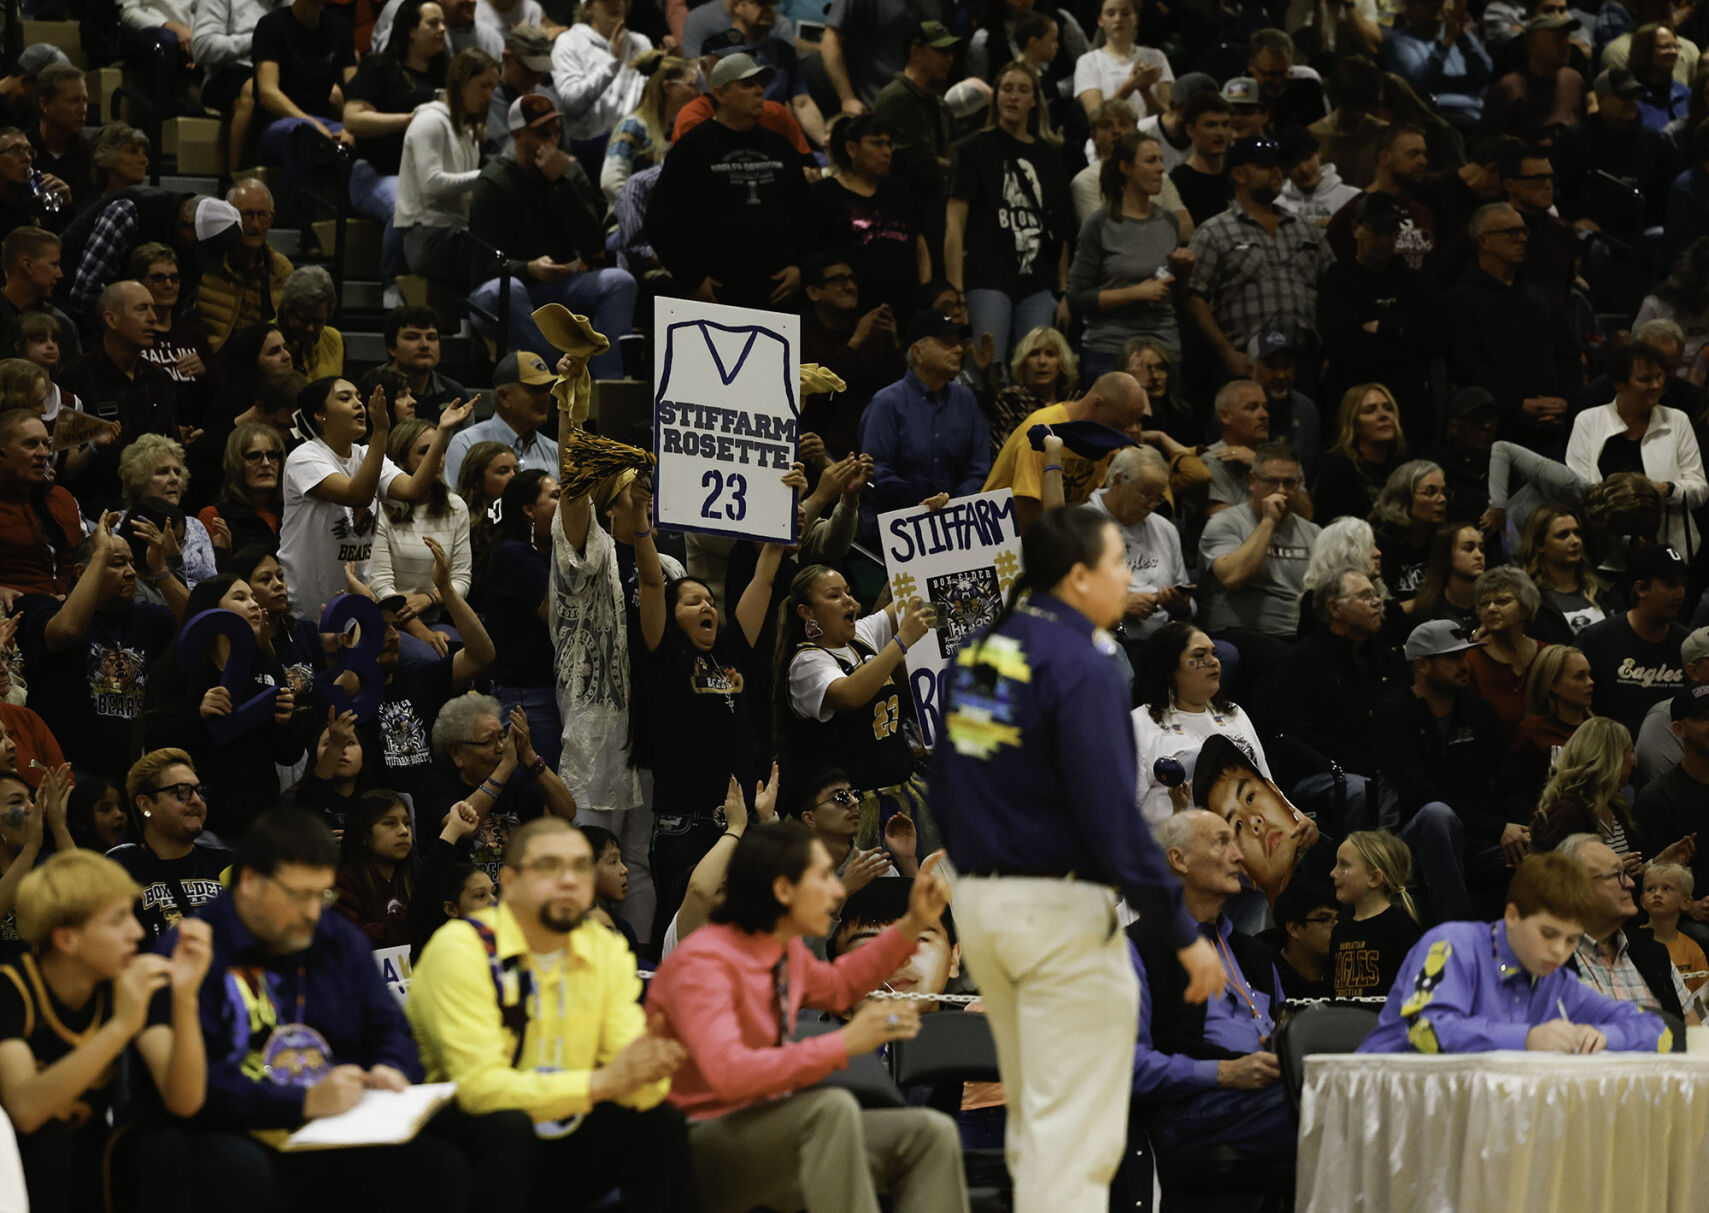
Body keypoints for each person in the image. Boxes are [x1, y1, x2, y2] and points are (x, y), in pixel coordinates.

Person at [933, 505, 1223, 1213]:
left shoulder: (982, 651)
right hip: (1057, 909)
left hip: (985, 911)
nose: (1128, 578)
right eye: (1117, 564)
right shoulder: (1080, 657)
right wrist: (1183, 937)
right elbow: (1108, 816)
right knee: (1075, 1135)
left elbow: (947, 785)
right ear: (1076, 576)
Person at [174, 807, 530, 1213]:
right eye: (298, 895)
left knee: (490, 1133)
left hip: (348, 1116)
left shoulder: (335, 936)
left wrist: (391, 1068)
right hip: (252, 1127)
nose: (313, 912)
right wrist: (302, 1103)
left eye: (322, 894)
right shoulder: (195, 950)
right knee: (236, 1168)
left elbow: (392, 1028)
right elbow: (193, 1085)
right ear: (251, 882)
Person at [645, 819, 967, 1212]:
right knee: (829, 1110)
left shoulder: (784, 953)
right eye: (823, 879)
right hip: (693, 1145)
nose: (838, 890)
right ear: (783, 890)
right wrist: (842, 1043)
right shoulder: (704, 963)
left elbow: (841, 986)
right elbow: (730, 1074)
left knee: (928, 1133)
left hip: (767, 1130)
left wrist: (913, 923)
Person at [409, 816, 693, 1210]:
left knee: (660, 1121)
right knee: (509, 1127)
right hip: (476, 1137)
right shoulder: (460, 949)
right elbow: (480, 1091)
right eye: (548, 868)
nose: (568, 880)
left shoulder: (602, 947)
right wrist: (604, 1083)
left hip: (568, 1124)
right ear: (508, 883)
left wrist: (648, 1070)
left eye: (579, 867)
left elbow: (635, 1070)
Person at [0, 849, 211, 1213]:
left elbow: (185, 1101)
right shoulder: (11, 988)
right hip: (16, 1160)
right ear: (67, 939)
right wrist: (122, 1026)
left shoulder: (125, 980)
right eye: (118, 920)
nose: (138, 931)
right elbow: (25, 1110)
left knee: (164, 1143)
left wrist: (185, 998)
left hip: (95, 1154)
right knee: (50, 1143)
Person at [635, 468, 785, 933]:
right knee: (686, 942)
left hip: (739, 825)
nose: (706, 607)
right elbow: (653, 582)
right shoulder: (663, 656)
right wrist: (642, 514)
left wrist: (783, 515)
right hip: (685, 827)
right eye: (692, 602)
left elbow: (763, 578)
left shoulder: (732, 652)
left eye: (709, 602)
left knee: (740, 940)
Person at [1358, 852, 1671, 1053]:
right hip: (1383, 1109)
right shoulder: (1451, 945)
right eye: (1548, 933)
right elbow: (1426, 1031)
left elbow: (1660, 1034)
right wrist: (1527, 1039)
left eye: (1572, 940)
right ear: (1512, 916)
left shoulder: (1555, 979)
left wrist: (1603, 1037)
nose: (1559, 951)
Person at [1127, 808, 1293, 1164]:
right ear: (1179, 859)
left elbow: (1283, 1028)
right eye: (1222, 843)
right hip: (1184, 1109)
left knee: (1354, 1097)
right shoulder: (1135, 948)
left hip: (1265, 1094)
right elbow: (1128, 1066)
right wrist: (1224, 1073)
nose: (1239, 855)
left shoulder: (1258, 955)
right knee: (1322, 1107)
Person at [1371, 619, 1532, 924]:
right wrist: (1497, 829)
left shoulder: (1479, 711)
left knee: (1544, 854)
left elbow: (1507, 780)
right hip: (1412, 843)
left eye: (1464, 655)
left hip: (1478, 839)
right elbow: (1419, 796)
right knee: (1437, 815)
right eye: (1453, 657)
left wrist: (1518, 828)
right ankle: (1459, 936)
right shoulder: (1393, 716)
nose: (1464, 665)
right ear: (1423, 665)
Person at [466, 94, 636, 379]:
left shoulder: (568, 171)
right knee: (507, 290)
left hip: (557, 287)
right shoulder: (494, 182)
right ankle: (556, 382)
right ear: (518, 135)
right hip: (504, 290)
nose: (552, 142)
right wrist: (528, 269)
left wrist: (560, 184)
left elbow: (593, 244)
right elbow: (481, 267)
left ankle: (608, 387)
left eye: (557, 132)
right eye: (542, 134)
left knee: (620, 282)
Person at [278, 377, 470, 618]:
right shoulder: (304, 457)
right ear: (320, 414)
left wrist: (442, 431)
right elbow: (356, 495)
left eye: (359, 397)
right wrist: (380, 430)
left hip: (359, 604)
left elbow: (414, 489)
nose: (358, 404)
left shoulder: (366, 454)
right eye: (345, 398)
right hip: (307, 606)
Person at [772, 561, 932, 847]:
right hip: (850, 810)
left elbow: (913, 590)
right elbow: (850, 696)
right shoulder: (806, 662)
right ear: (806, 612)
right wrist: (901, 641)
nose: (848, 600)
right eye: (834, 595)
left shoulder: (861, 634)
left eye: (847, 592)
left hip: (901, 793)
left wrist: (932, 525)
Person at [645, 53, 812, 311]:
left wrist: (800, 266)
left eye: (761, 84)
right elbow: (661, 221)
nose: (760, 91)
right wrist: (692, 278)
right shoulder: (693, 147)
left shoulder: (779, 146)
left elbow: (805, 214)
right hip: (717, 293)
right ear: (720, 94)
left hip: (779, 292)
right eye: (748, 84)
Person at [18, 514, 178, 780]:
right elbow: (67, 631)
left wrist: (161, 568)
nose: (131, 572)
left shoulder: (145, 618)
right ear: (83, 572)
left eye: (131, 562)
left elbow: (198, 628)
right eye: (116, 563)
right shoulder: (39, 608)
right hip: (70, 772)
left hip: (133, 772)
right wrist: (101, 551)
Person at [139, 574, 303, 831]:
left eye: (253, 597)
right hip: (200, 823)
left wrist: (285, 724)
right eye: (240, 597)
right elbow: (154, 740)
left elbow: (288, 754)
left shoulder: (268, 666)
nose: (254, 605)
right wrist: (199, 716)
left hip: (260, 824)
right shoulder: (177, 669)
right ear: (210, 612)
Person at [945, 61, 1073, 368]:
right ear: (996, 97)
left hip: (1038, 282)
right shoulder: (972, 149)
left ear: (1034, 101)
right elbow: (954, 223)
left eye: (1023, 90)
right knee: (987, 369)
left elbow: (1059, 230)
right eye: (1007, 89)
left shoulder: (1050, 155)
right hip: (987, 278)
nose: (1013, 97)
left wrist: (1064, 291)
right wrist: (956, 291)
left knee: (1033, 372)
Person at [1186, 136, 1326, 381]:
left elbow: (1331, 288)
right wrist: (1226, 351)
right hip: (1245, 362)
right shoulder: (1214, 231)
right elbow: (1193, 298)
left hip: (1302, 361)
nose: (1276, 170)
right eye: (1264, 165)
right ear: (1239, 175)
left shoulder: (1305, 229)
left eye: (1277, 165)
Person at [1443, 203, 1582, 449]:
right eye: (1511, 232)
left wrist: (1565, 401)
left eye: (1523, 231)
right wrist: (1517, 405)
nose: (1522, 239)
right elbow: (1467, 366)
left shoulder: (1542, 300)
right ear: (1483, 240)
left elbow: (1569, 358)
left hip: (1553, 431)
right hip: (1496, 434)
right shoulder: (1460, 302)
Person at [341, 0, 448, 303]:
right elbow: (353, 118)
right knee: (407, 201)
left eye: (443, 24)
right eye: (433, 23)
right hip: (375, 172)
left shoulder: (446, 76)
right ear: (411, 30)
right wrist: (411, 120)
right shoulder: (380, 67)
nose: (442, 30)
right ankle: (389, 284)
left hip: (430, 175)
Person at [1566, 341, 1708, 561]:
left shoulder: (1677, 420)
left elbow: (1700, 489)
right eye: (1645, 379)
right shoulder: (1588, 421)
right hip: (1605, 553)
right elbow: (1578, 489)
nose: (1655, 385)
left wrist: (1667, 490)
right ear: (1619, 384)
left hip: (1668, 552)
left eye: (1659, 376)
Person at [1068, 131, 1190, 378]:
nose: (1160, 169)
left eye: (1160, 160)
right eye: (1151, 161)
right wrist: (1135, 293)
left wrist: (1183, 271)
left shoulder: (1168, 221)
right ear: (1126, 167)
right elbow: (1077, 298)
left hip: (1162, 346)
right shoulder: (1100, 223)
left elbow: (1174, 293)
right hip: (1111, 348)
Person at [857, 309, 990, 531]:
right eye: (947, 343)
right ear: (917, 352)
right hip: (896, 527)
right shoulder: (886, 403)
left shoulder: (965, 399)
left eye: (959, 342)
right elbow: (877, 472)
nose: (958, 349)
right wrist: (928, 502)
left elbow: (979, 467)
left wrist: (952, 506)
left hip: (959, 524)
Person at [57, 280, 181, 509]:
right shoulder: (75, 377)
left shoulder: (159, 379)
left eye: (153, 308)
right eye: (142, 309)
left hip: (154, 504)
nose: (154, 317)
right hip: (95, 506)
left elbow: (173, 448)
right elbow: (64, 467)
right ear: (111, 319)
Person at [1199, 441, 1322, 671]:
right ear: (1253, 481)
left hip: (1297, 635)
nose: (1282, 491)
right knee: (1290, 660)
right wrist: (1268, 522)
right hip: (1238, 632)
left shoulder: (1313, 533)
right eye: (1272, 482)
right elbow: (1233, 577)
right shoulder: (1226, 523)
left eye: (1290, 483)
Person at [1131, 622, 1270, 825]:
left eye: (1213, 653)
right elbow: (1124, 809)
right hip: (1173, 845)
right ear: (1171, 669)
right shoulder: (1139, 723)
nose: (1213, 662)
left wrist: (1295, 817)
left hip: (1245, 842)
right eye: (1199, 656)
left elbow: (1267, 784)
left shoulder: (1233, 714)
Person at [983, 369, 1149, 530]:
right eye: (1117, 426)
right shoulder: (1042, 430)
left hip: (1057, 531)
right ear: (1096, 405)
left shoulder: (1103, 441)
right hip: (998, 534)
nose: (1119, 437)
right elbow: (1025, 506)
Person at [395, 49, 500, 292]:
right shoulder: (430, 121)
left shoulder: (469, 132)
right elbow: (431, 185)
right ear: (462, 80)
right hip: (428, 237)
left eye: (493, 88)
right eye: (484, 86)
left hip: (455, 231)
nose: (489, 95)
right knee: (502, 260)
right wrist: (486, 176)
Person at [1560, 833, 1694, 1020]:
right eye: (1618, 875)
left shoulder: (1654, 954)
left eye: (1626, 874)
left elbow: (1692, 1029)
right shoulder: (1546, 964)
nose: (1631, 883)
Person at [250, 0, 357, 225]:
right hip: (279, 123)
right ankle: (300, 228)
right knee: (304, 132)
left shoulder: (341, 28)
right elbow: (268, 93)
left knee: (366, 134)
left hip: (325, 121)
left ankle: (351, 226)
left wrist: (353, 126)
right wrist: (311, 124)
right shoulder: (272, 25)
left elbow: (357, 90)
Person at [371, 418, 473, 656]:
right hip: (388, 619)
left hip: (437, 613)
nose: (438, 458)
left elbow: (461, 579)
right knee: (429, 658)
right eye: (426, 451)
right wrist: (420, 631)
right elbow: (380, 585)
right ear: (402, 460)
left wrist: (429, 598)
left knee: (470, 651)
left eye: (441, 450)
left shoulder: (455, 506)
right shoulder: (380, 508)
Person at [108, 748, 230, 942]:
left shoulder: (227, 864)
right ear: (145, 805)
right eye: (181, 792)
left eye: (199, 792)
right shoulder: (118, 871)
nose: (197, 800)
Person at [1576, 543, 1690, 735]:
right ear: (1641, 589)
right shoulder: (1596, 641)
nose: (1680, 593)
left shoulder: (1689, 646)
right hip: (1609, 757)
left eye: (1682, 584)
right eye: (1671, 584)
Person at [1087, 444, 1192, 650]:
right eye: (1146, 495)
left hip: (1163, 639)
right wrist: (1119, 605)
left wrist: (1180, 604)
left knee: (1223, 653)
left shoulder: (1163, 528)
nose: (1152, 505)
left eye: (1158, 497)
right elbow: (1064, 598)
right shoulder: (1083, 524)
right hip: (1108, 640)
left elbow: (1187, 599)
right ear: (1118, 480)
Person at [1530, 717, 1664, 863]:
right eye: (1629, 752)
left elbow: (1629, 872)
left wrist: (1655, 863)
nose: (1634, 760)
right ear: (1609, 759)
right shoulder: (1567, 814)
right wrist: (1613, 872)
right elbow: (1551, 876)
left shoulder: (1616, 807)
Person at [193, 180, 294, 354]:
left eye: (262, 215)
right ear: (228, 216)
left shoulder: (281, 269)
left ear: (271, 219)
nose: (255, 225)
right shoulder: (206, 263)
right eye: (247, 214)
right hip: (213, 363)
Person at [1636, 685, 1709, 917]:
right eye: (1706, 718)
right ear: (1679, 729)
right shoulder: (1657, 797)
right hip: (1689, 914)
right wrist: (1688, 908)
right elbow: (1650, 879)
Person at [1328, 829, 1423, 998]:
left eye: (1344, 865)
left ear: (1374, 878)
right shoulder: (1339, 931)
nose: (1333, 873)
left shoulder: (1402, 929)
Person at [0, 409, 82, 598]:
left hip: (69, 601)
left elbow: (79, 559)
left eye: (46, 444)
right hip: (17, 608)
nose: (43, 453)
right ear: (2, 454)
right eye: (31, 445)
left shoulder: (63, 499)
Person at [600, 51, 696, 202]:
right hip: (631, 221)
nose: (697, 92)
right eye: (691, 85)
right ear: (668, 87)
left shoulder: (669, 130)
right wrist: (638, 213)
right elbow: (611, 181)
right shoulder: (633, 126)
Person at [1520, 505, 1623, 643]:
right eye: (1563, 535)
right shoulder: (1530, 602)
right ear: (1539, 545)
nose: (1575, 541)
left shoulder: (1604, 591)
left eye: (1577, 533)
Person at [1465, 565, 1548, 737]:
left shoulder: (1546, 655)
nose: (1492, 608)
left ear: (1526, 608)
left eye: (1502, 601)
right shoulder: (1470, 660)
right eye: (1484, 603)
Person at [1384, 0, 1495, 125]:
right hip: (1439, 119)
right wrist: (1444, 45)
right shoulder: (1399, 42)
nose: (1436, 6)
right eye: (1427, 3)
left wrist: (1463, 37)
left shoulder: (1459, 37)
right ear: (1409, 8)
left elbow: (1485, 73)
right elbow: (1416, 85)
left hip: (1475, 114)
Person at [331, 789, 417, 947]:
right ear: (364, 835)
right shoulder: (343, 884)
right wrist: (414, 912)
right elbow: (357, 941)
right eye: (390, 823)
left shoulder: (417, 874)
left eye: (406, 823)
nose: (404, 831)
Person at [1513, 643, 1597, 802]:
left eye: (1589, 675)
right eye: (1580, 676)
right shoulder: (1531, 732)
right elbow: (1518, 792)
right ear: (1553, 684)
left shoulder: (1596, 730)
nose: (1590, 682)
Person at [1313, 384, 1407, 525]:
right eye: (1370, 411)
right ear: (1353, 423)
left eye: (1389, 408)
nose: (1383, 415)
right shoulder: (1339, 469)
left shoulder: (1402, 465)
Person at [356, 309, 466, 420]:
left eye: (431, 338)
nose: (425, 345)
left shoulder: (454, 393)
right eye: (412, 337)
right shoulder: (372, 388)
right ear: (391, 348)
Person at [198, 421, 287, 557]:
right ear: (236, 464)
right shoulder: (215, 516)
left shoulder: (291, 511)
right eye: (254, 456)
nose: (266, 463)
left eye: (272, 455)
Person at [1074, 0, 1170, 123]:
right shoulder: (1087, 61)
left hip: (1150, 138)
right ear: (1100, 20)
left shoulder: (1156, 57)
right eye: (1110, 13)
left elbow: (1166, 117)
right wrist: (1130, 85)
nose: (1118, 19)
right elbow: (1095, 117)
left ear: (1136, 19)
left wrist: (1146, 91)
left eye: (1125, 13)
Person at [1641, 861, 1708, 995]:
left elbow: (1703, 998)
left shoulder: (1692, 950)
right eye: (1650, 889)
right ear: (1642, 901)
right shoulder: (1631, 943)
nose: (1657, 894)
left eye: (1666, 888)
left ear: (1685, 902)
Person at [1265, 878, 1338, 998]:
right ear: (1294, 928)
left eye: (1336, 918)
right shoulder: (1264, 977)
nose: (1336, 925)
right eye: (1325, 919)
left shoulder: (1344, 971)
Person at [1168, 92, 1233, 226]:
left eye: (1225, 124)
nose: (1220, 133)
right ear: (1190, 130)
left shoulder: (1238, 173)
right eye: (1211, 125)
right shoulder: (1178, 182)